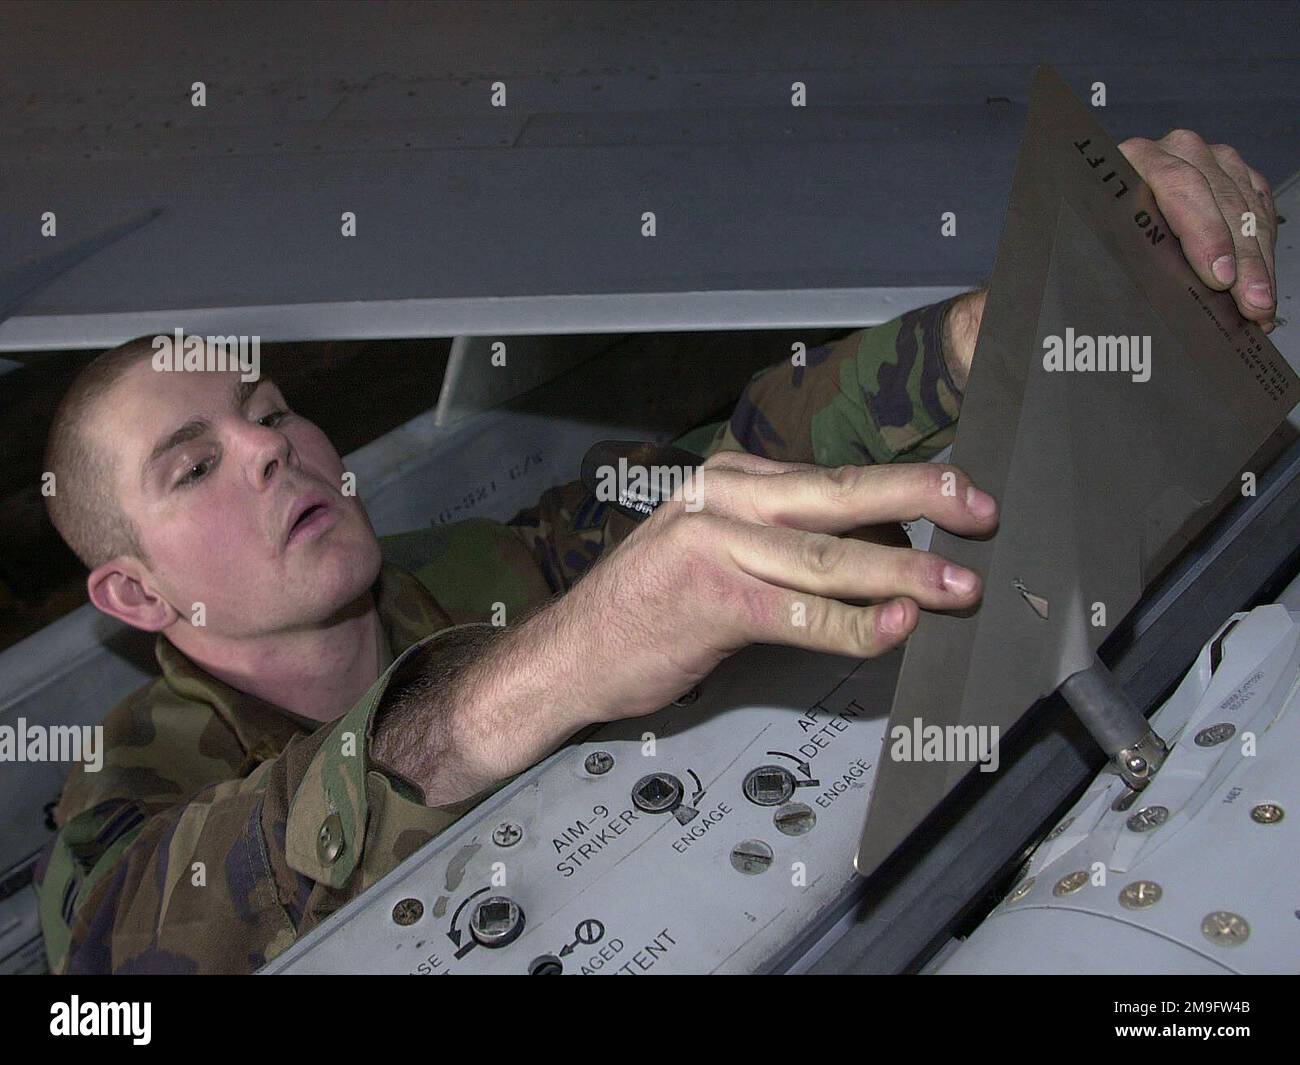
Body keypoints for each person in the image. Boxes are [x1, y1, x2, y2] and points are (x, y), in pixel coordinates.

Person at [32, 130, 1279, 973]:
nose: (270, 454)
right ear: (134, 591)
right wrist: (564, 666)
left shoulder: (461, 573)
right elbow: (148, 940)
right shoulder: (124, 806)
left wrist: (973, 339)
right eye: (193, 466)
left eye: (269, 414)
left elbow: (716, 468)